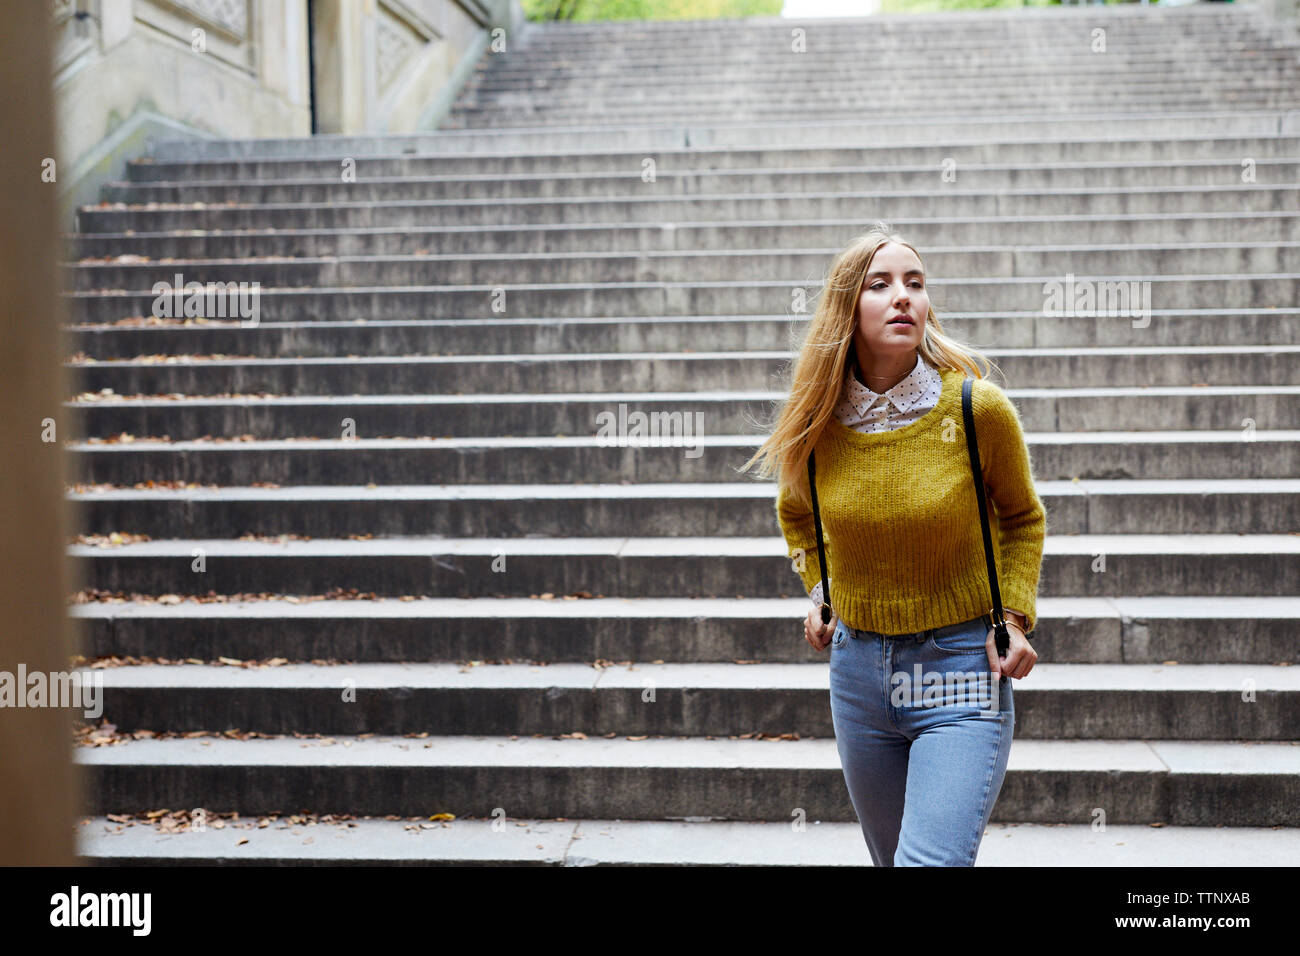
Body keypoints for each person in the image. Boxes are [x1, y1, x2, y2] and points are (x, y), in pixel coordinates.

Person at [739, 221, 1047, 866]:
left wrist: (1014, 616)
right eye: (880, 285)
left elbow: (1021, 517)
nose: (903, 296)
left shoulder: (975, 409)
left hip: (962, 668)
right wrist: (822, 591)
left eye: (916, 283)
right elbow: (798, 517)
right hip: (858, 675)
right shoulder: (815, 424)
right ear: (846, 307)